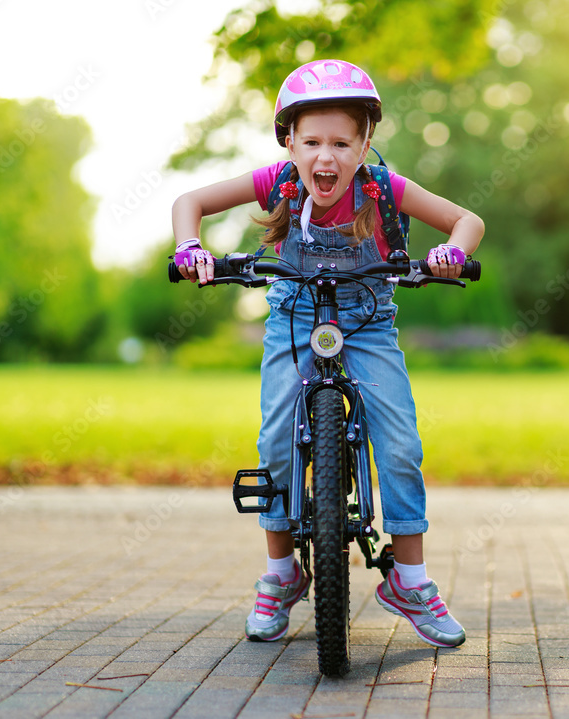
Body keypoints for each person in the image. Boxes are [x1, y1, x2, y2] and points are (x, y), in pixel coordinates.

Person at [171, 59, 484, 648]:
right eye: (311, 141)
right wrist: (191, 246)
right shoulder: (276, 182)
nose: (326, 157)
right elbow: (191, 202)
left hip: (367, 323)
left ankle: (409, 581)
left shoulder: (383, 190)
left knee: (398, 442)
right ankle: (282, 574)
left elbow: (468, 221)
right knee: (275, 440)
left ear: (366, 143)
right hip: (293, 317)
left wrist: (450, 254)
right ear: (288, 141)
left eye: (342, 142)